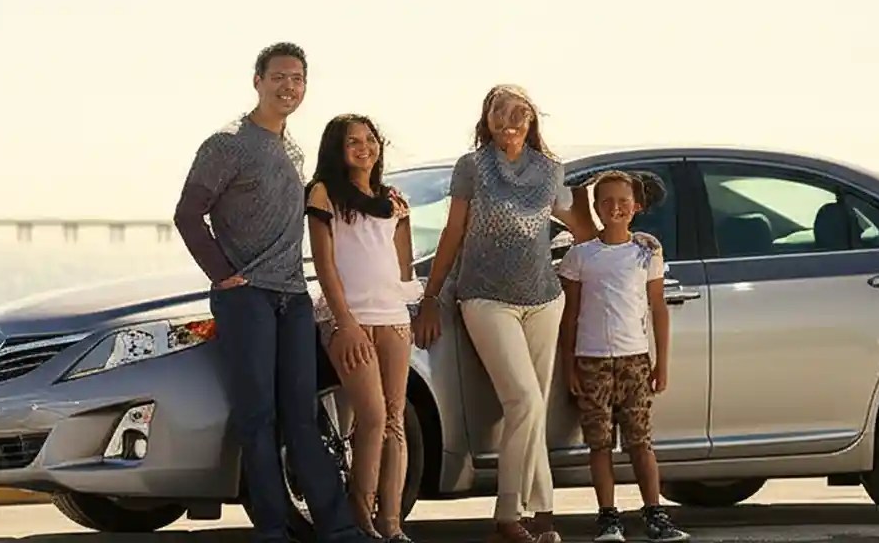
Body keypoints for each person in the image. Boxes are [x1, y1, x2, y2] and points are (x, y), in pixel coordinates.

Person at [173, 42, 373, 543]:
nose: (289, 87)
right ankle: (271, 528)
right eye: (280, 77)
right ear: (257, 80)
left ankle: (338, 526)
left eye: (298, 79)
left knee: (302, 415)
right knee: (258, 416)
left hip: (293, 295)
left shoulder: (293, 148)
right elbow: (187, 213)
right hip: (248, 298)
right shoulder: (227, 144)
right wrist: (222, 274)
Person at [412, 84, 599, 543]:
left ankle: (544, 517)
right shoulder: (472, 167)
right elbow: (453, 232)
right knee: (524, 401)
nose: (509, 120)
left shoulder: (551, 170)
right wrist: (432, 296)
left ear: (532, 120)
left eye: (518, 112)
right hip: (484, 296)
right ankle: (506, 518)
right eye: (499, 112)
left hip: (543, 299)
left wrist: (595, 212)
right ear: (487, 119)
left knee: (531, 406)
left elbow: (581, 230)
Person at [305, 113, 421, 542]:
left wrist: (414, 308)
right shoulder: (323, 194)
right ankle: (360, 518)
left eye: (369, 139)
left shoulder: (393, 200)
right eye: (352, 140)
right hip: (347, 319)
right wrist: (346, 324)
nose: (363, 146)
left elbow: (403, 264)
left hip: (393, 318)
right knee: (371, 417)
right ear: (337, 148)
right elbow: (325, 266)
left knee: (394, 419)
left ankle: (392, 524)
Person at [557, 170, 689, 543]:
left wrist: (661, 361)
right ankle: (608, 517)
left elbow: (658, 307)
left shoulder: (646, 251)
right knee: (599, 443)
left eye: (623, 202)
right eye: (607, 202)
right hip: (592, 360)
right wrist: (569, 365)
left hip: (634, 360)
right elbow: (571, 315)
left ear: (637, 207)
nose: (615, 208)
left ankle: (654, 513)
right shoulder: (581, 256)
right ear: (597, 208)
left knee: (640, 442)